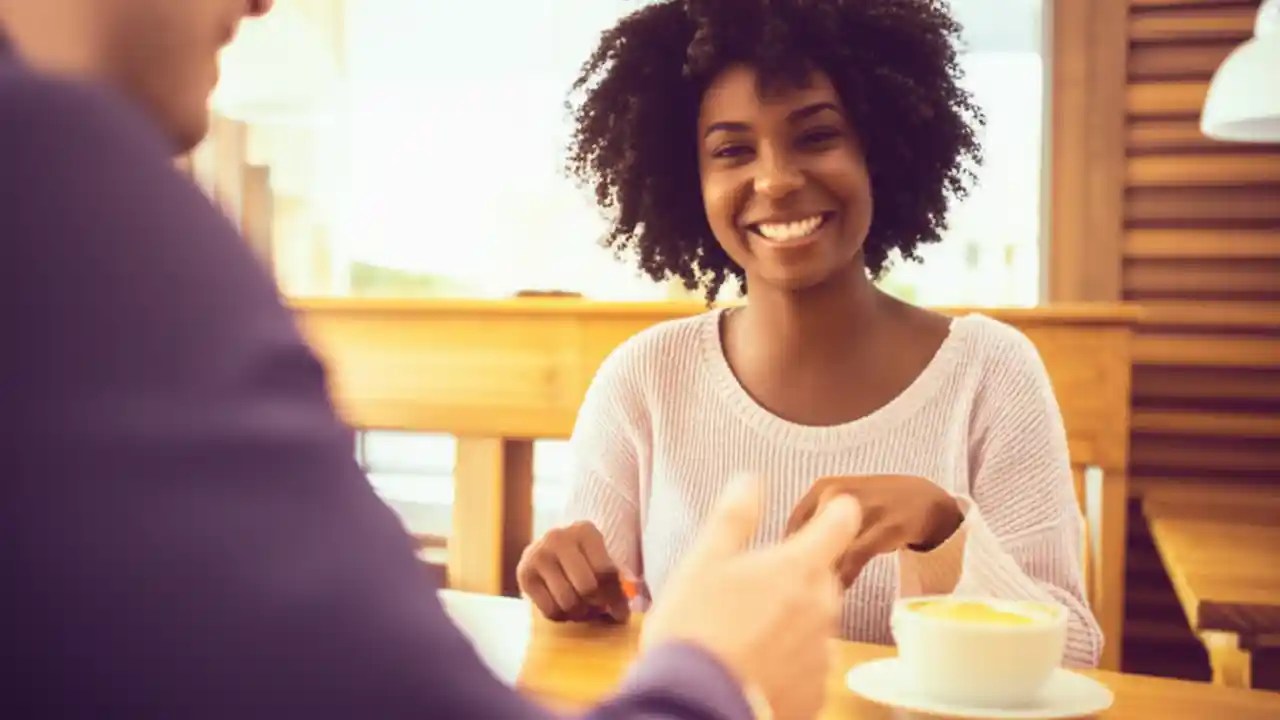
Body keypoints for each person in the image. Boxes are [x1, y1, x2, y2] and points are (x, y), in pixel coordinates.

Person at [0, 1, 869, 718]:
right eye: (729, 149)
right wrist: (715, 674)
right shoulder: (62, 180)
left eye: (817, 135)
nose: (264, 3)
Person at [517, 0, 1104, 668]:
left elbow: (1075, 654)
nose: (775, 178)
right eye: (733, 151)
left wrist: (942, 528)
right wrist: (566, 588)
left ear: (879, 150)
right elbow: (601, 625)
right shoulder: (642, 381)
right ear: (690, 181)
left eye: (817, 136)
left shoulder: (991, 373)